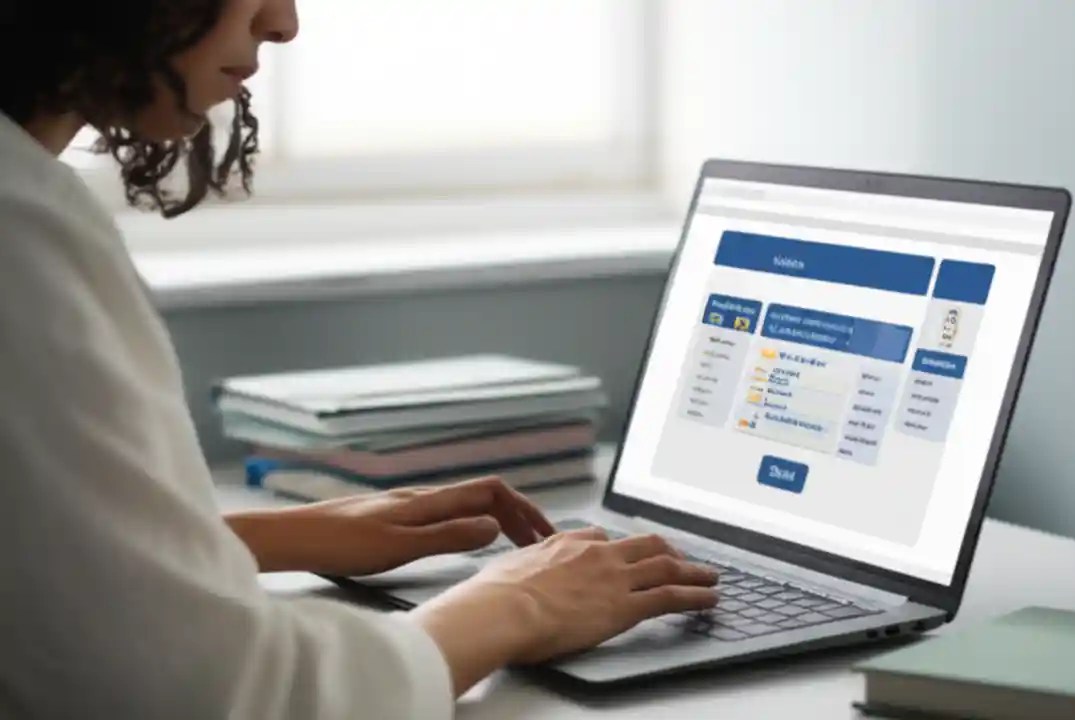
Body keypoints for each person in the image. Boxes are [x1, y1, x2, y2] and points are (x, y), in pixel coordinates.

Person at [0, 1, 720, 717]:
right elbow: (228, 695)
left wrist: (260, 537)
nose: (283, 23)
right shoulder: (20, 240)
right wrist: (518, 600)